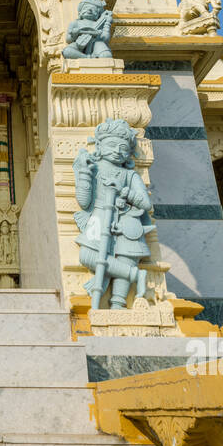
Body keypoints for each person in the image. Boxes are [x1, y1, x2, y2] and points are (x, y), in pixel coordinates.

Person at [72, 118, 155, 308]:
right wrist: (84, 174)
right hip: (99, 219)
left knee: (127, 256)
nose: (117, 151)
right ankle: (135, 275)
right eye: (111, 145)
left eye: (123, 147)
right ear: (99, 146)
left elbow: (146, 203)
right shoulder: (94, 168)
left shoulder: (129, 175)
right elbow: (84, 202)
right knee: (87, 255)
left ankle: (118, 305)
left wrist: (124, 191)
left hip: (125, 223)